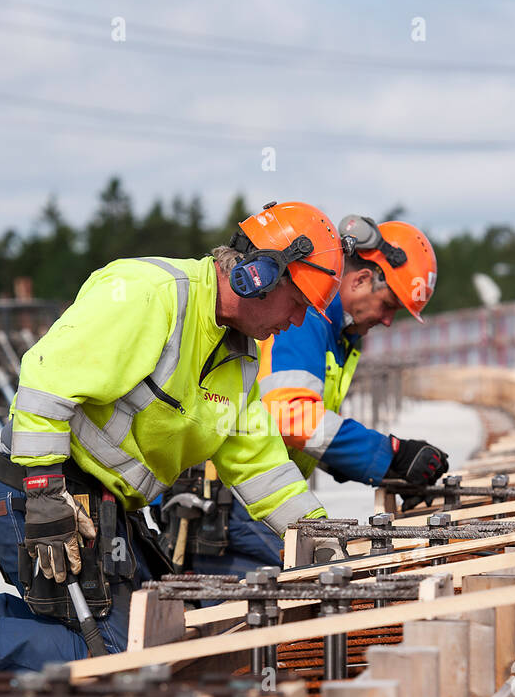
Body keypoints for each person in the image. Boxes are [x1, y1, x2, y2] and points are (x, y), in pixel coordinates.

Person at [0, 201, 344, 692]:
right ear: (257, 276)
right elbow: (46, 380)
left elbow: (258, 461)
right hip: (43, 495)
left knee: (164, 634)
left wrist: (318, 534)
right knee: (121, 663)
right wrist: (44, 495)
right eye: (299, 303)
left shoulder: (237, 356)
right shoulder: (150, 295)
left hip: (104, 511)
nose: (298, 322)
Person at [189, 215, 448, 576]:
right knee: (322, 586)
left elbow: (301, 435)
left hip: (255, 495)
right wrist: (390, 455)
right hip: (239, 498)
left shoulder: (338, 334)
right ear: (361, 279)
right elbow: (291, 416)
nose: (388, 320)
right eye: (389, 305)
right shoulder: (306, 316)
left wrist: (386, 472)